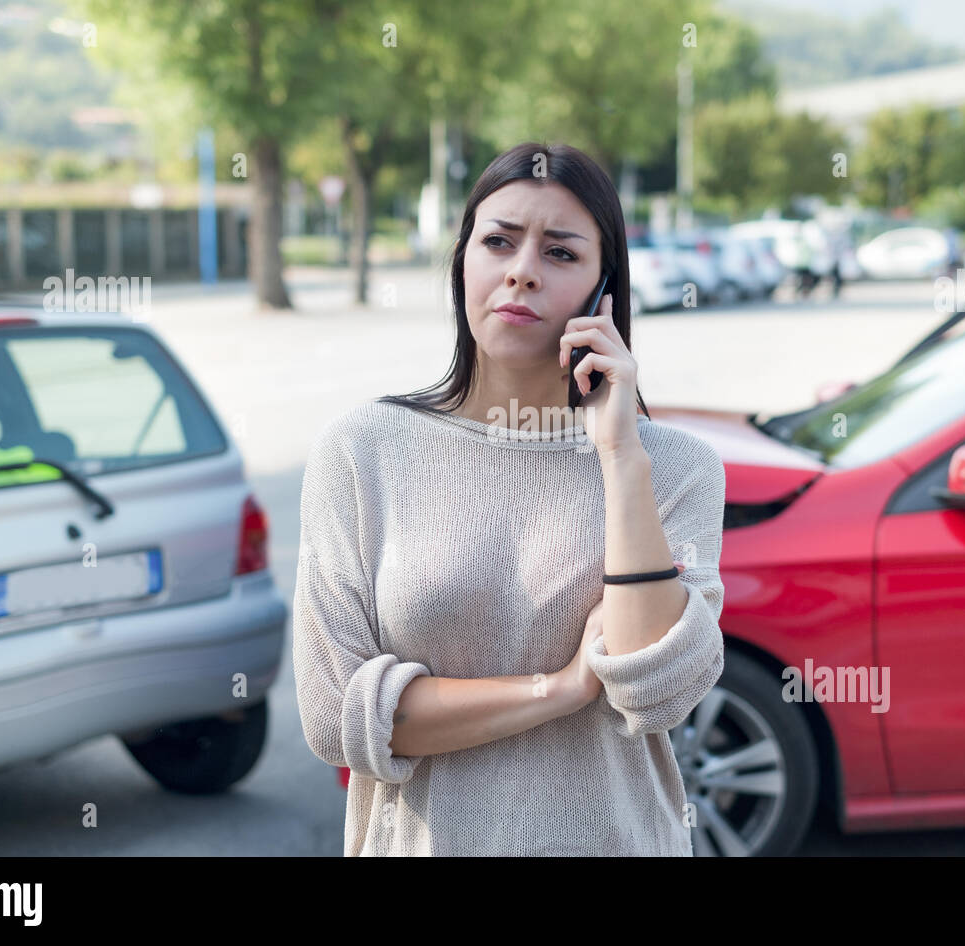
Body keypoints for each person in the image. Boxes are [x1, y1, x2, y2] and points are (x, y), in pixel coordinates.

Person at [292, 141, 726, 856]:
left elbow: (660, 692)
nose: (522, 271)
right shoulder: (362, 450)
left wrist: (619, 455)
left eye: (560, 254)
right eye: (498, 241)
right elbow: (336, 716)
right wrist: (557, 689)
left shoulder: (677, 470)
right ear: (463, 260)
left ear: (604, 291)